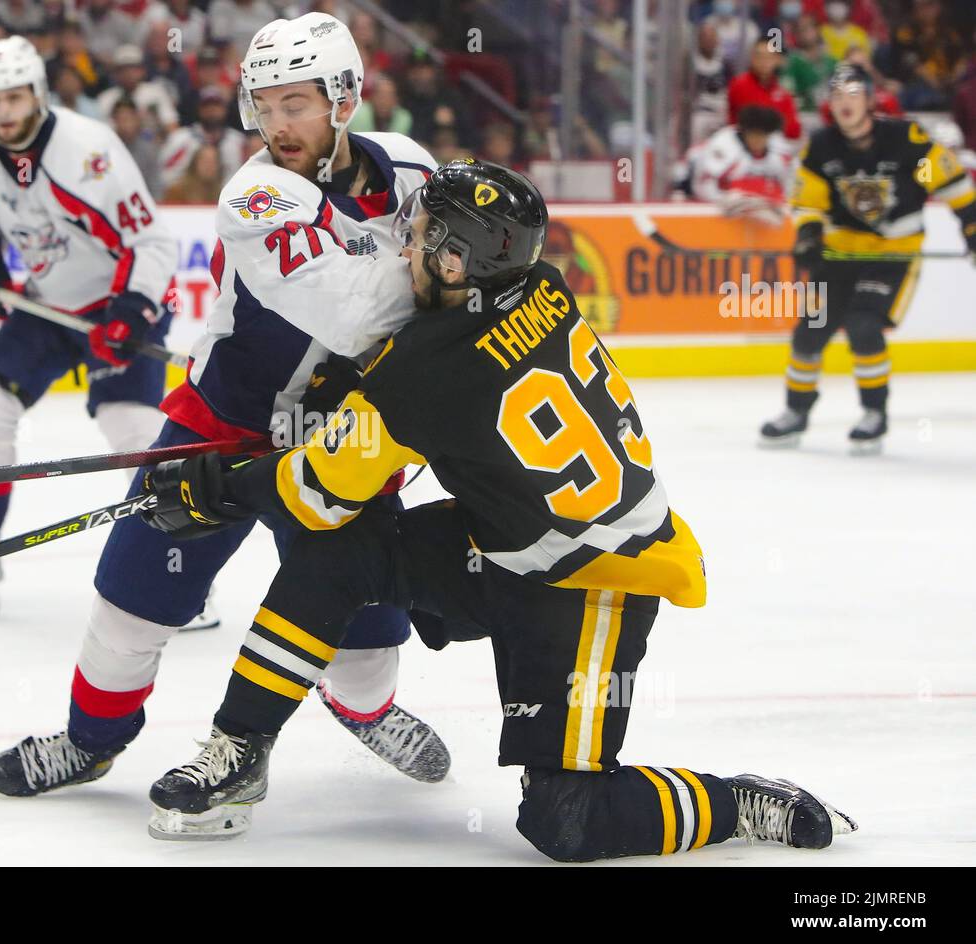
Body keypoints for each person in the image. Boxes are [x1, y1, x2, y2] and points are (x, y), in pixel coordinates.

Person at [139, 158, 860, 858]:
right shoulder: (540, 285)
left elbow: (319, 495)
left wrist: (219, 488)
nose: (405, 245)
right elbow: (441, 411)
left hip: (600, 578)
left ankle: (738, 803)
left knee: (568, 820)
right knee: (340, 558)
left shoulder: (426, 371)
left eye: (421, 237)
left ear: (456, 265)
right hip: (511, 541)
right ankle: (241, 747)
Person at [0, 12, 450, 799]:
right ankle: (89, 741)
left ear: (345, 97)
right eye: (262, 105)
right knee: (132, 602)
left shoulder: (409, 168)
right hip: (223, 423)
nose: (275, 124)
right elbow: (363, 316)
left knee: (365, 636)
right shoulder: (257, 195)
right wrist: (436, 285)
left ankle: (365, 709)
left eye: (293, 103)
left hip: (348, 441)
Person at [0, 36, 177, 616]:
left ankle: (179, 569)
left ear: (38, 93)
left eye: (15, 98)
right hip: (49, 306)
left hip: (120, 303)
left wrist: (132, 311)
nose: (5, 114)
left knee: (134, 431)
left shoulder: (88, 152)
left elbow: (154, 242)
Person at [760, 63, 976, 452]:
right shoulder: (821, 147)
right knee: (810, 330)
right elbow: (808, 202)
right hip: (840, 254)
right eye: (837, 96)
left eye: (853, 94)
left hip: (893, 255)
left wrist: (972, 230)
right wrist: (809, 236)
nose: (845, 103)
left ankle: (874, 413)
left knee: (863, 325)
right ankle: (796, 411)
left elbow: (953, 185)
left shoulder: (906, 139)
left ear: (870, 99)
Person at [686, 105, 794, 226]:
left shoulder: (779, 150)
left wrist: (778, 203)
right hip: (722, 201)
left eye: (763, 135)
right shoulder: (723, 145)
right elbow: (702, 183)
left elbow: (791, 184)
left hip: (764, 205)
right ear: (744, 132)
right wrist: (722, 200)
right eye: (754, 134)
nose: (758, 140)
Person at [159, 84, 243, 189]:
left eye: (216, 106)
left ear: (225, 109)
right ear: (199, 110)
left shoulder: (237, 140)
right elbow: (163, 173)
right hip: (186, 198)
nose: (212, 110)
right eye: (207, 106)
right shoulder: (181, 138)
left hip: (229, 196)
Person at [727, 39, 801, 141]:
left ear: (777, 60)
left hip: (775, 148)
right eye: (759, 56)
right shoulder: (739, 85)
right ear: (752, 58)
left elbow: (794, 130)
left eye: (769, 57)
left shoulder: (783, 93)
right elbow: (752, 124)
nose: (764, 62)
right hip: (742, 146)